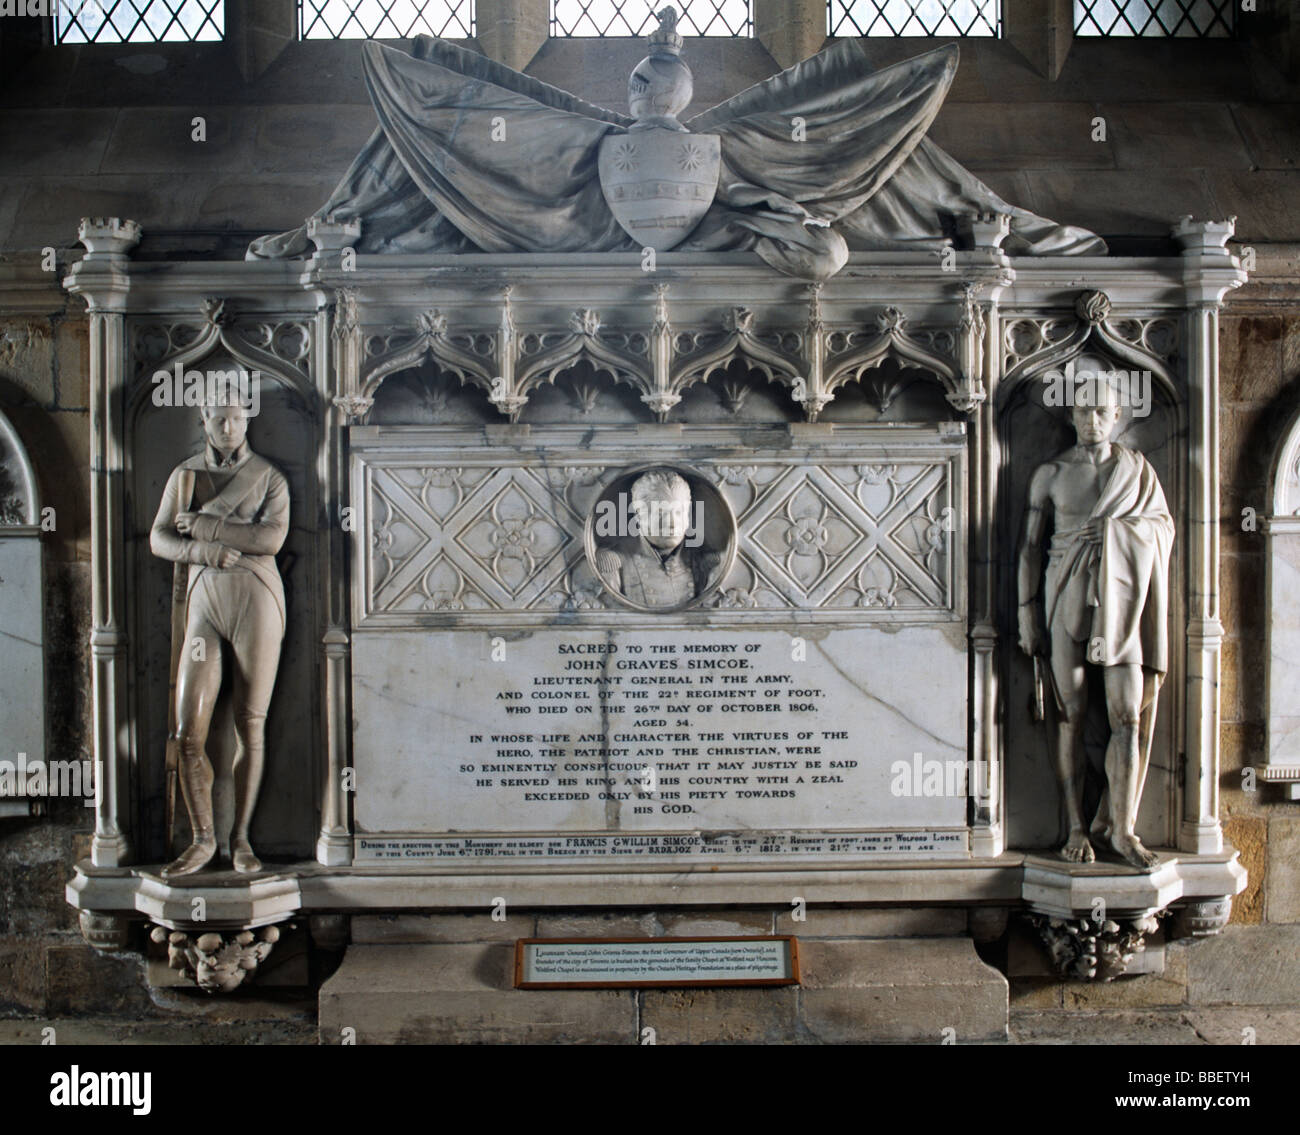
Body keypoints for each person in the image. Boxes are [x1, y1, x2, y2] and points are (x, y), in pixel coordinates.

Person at [1017, 377, 1173, 869]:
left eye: (1101, 412)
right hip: (1064, 598)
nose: (1092, 421)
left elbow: (1163, 529)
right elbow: (1027, 549)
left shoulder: (1136, 471)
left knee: (1127, 713)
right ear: (1071, 416)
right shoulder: (1051, 474)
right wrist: (1025, 614)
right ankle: (1076, 826)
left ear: (1117, 416)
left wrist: (1118, 534)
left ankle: (1122, 829)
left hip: (1121, 604)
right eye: (1083, 412)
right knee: (1071, 714)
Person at [150, 398, 289, 877]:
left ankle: (242, 839)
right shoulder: (184, 476)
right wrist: (205, 551)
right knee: (189, 732)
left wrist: (207, 525)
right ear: (203, 420)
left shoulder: (270, 477)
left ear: (249, 418)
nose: (228, 427)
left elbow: (270, 540)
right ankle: (203, 840)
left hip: (258, 603)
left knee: (251, 724)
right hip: (204, 604)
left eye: (236, 418)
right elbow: (160, 539)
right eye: (219, 418)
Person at [595, 469, 718, 608]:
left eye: (679, 512)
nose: (672, 523)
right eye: (661, 513)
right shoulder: (613, 562)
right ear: (639, 515)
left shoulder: (706, 560)